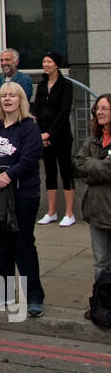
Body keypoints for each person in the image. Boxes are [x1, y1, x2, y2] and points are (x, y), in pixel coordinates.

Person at [0, 82, 45, 316]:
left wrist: (6, 176)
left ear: (21, 100)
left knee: (23, 246)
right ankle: (3, 292)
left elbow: (29, 159)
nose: (7, 99)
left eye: (12, 96)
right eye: (3, 96)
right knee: (2, 247)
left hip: (22, 195)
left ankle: (34, 297)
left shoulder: (28, 127)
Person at [33, 51, 75, 226]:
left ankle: (69, 212)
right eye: (44, 61)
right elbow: (37, 108)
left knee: (66, 170)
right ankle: (51, 211)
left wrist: (50, 133)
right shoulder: (42, 85)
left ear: (56, 64)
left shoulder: (66, 85)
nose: (46, 64)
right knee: (50, 172)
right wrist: (41, 134)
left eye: (49, 61)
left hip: (61, 135)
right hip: (44, 136)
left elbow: (63, 112)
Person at [74, 94, 111, 281]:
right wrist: (100, 165)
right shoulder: (92, 140)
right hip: (96, 210)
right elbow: (79, 165)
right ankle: (101, 305)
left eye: (105, 108)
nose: (99, 112)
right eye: (97, 108)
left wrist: (92, 166)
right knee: (101, 262)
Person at [0, 49, 33, 117]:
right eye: (2, 60)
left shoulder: (25, 80)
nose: (4, 63)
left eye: (7, 60)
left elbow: (21, 106)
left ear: (16, 62)